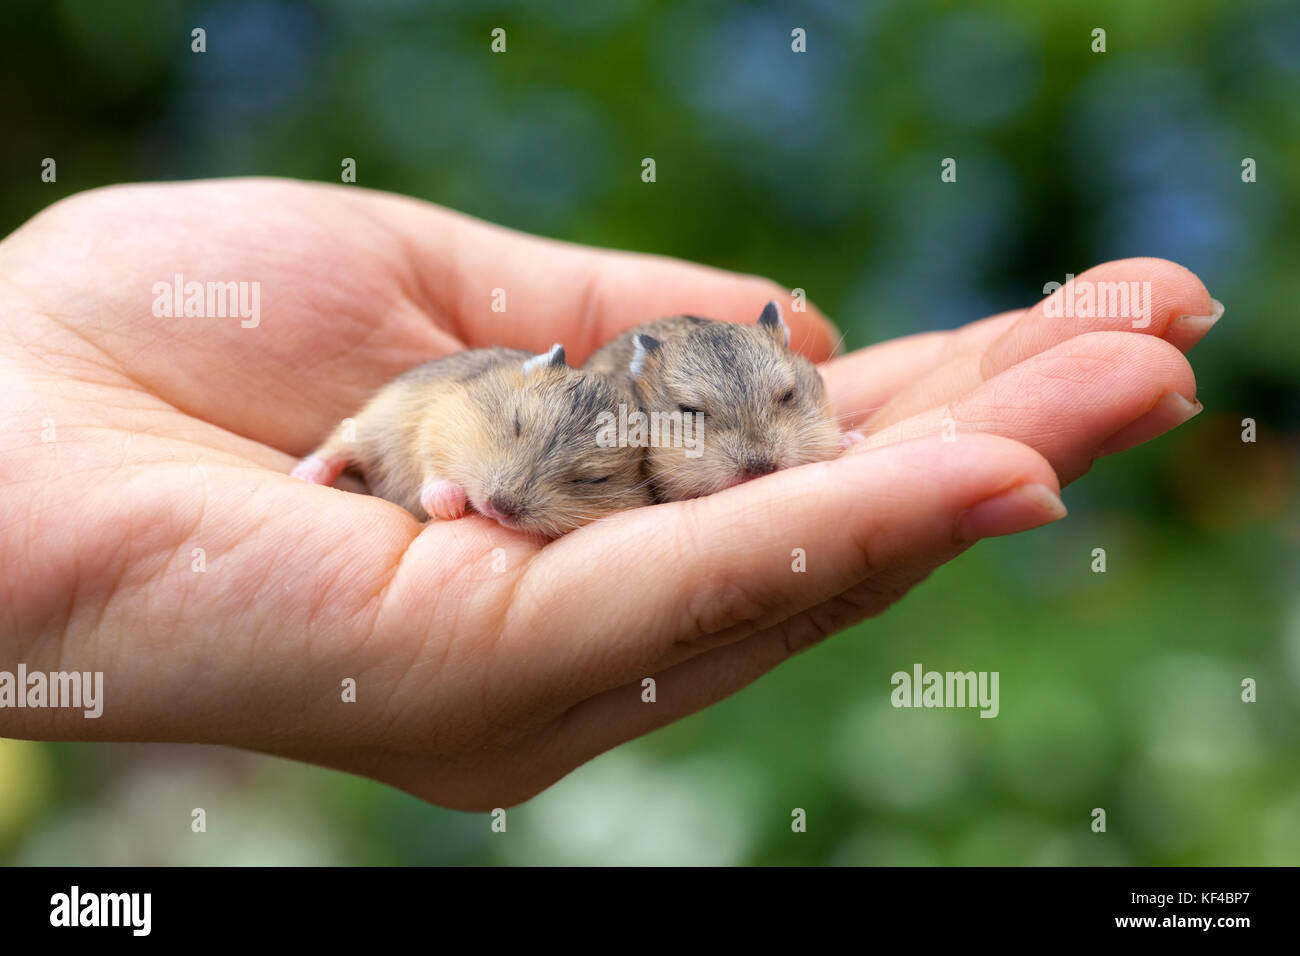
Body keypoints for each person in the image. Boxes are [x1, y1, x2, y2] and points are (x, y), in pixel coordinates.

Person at [0, 179, 1217, 810]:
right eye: (701, 429)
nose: (751, 459)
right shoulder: (562, 408)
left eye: (787, 414)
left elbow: (760, 427)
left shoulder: (723, 411)